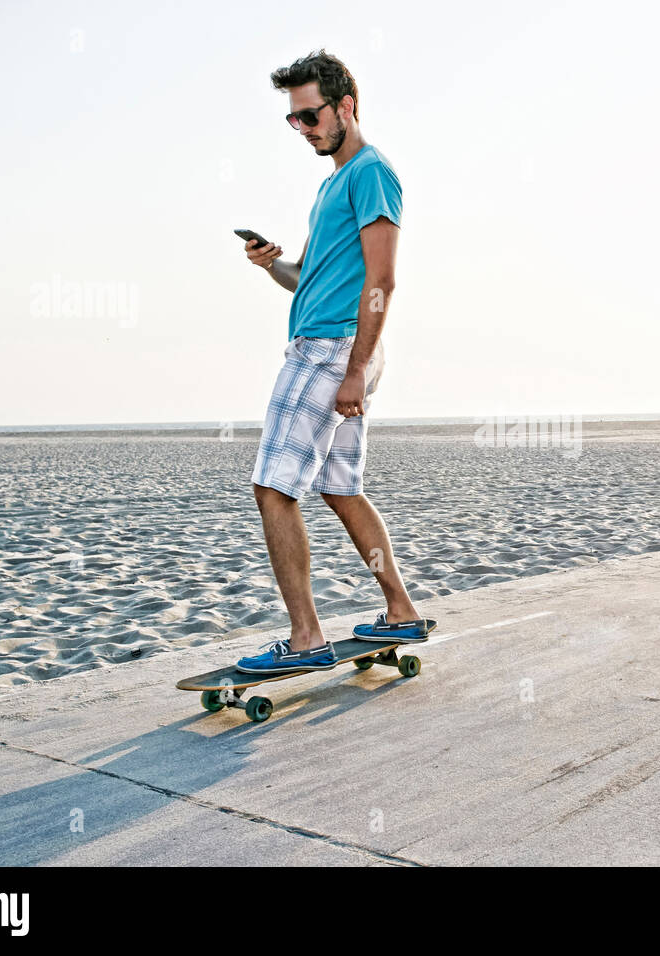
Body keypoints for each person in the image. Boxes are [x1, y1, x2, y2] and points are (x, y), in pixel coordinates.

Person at [238, 49, 432, 675]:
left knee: (273, 485)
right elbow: (314, 280)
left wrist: (355, 366)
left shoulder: (371, 173)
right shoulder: (333, 185)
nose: (305, 129)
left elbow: (383, 280)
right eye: (294, 121)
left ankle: (304, 637)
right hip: (337, 346)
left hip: (332, 350)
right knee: (340, 487)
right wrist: (274, 264)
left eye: (311, 115)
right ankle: (400, 607)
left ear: (346, 103)